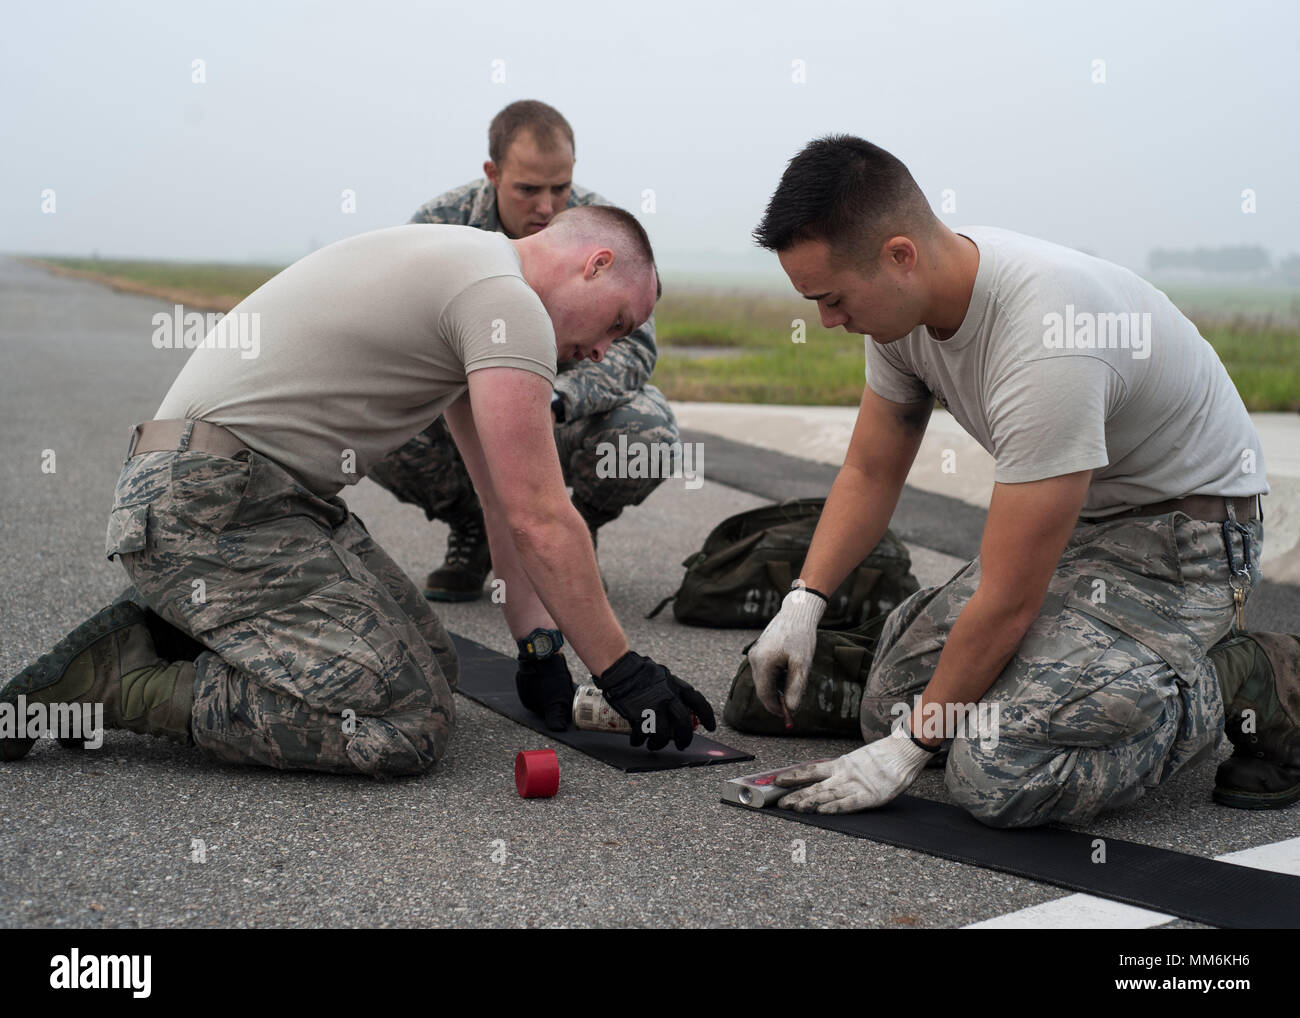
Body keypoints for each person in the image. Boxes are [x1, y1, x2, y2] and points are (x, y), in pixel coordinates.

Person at [2, 206, 715, 773]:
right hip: (208, 505)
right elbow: (541, 517)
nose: (602, 351)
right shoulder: (505, 303)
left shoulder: (473, 275)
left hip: (242, 499)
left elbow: (502, 504)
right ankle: (122, 686)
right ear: (595, 264)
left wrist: (537, 648)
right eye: (617, 323)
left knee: (434, 666)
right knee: (406, 723)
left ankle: (171, 627)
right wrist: (623, 672)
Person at [746, 135, 1294, 826]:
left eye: (832, 299)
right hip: (1080, 522)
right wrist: (804, 603)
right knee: (887, 707)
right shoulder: (899, 313)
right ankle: (1070, 681)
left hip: (1183, 542)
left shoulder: (1048, 336)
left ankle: (1244, 675)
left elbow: (1009, 600)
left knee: (997, 771)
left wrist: (912, 747)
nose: (827, 322)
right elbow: (869, 469)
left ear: (899, 256)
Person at [369, 99, 678, 605]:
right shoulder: (440, 226)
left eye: (561, 187)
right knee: (379, 417)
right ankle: (474, 529)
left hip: (562, 412)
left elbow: (634, 352)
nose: (547, 207)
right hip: (464, 413)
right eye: (528, 189)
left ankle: (571, 532)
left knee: (647, 433)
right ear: (492, 173)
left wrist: (552, 399)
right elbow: (400, 338)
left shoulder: (603, 232)